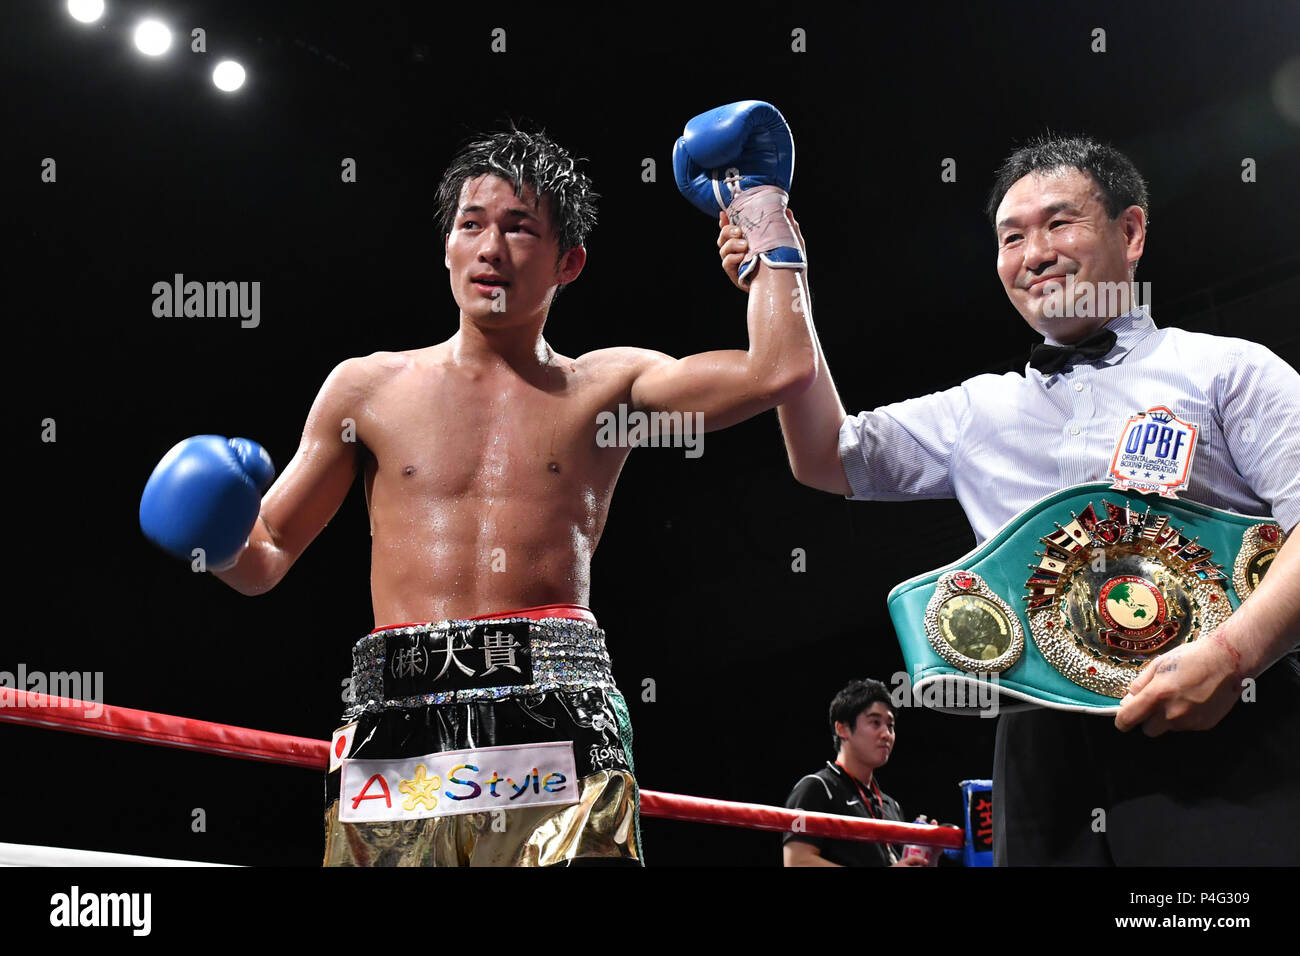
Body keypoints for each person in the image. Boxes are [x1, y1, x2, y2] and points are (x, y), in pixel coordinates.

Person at [140, 112, 815, 866]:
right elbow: (262, 561)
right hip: (395, 715)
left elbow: (778, 372)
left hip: (554, 700)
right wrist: (216, 532)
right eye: (471, 223)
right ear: (446, 244)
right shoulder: (365, 389)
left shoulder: (608, 388)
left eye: (521, 227)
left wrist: (764, 225)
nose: (490, 248)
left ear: (570, 262)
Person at [719, 135, 1300, 865]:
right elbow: (824, 454)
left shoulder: (1226, 370)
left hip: (1230, 722)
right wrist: (779, 275)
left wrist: (1229, 658)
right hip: (1040, 746)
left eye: (1060, 223)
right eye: (1011, 236)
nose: (1035, 253)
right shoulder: (979, 411)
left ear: (1131, 231)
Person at [783, 679, 926, 867]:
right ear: (842, 728)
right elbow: (797, 862)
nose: (886, 734)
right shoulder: (817, 788)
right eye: (875, 723)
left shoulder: (892, 806)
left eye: (890, 726)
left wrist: (927, 846)